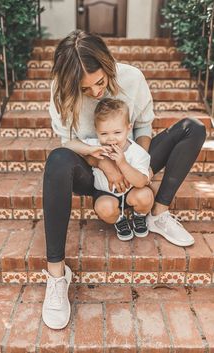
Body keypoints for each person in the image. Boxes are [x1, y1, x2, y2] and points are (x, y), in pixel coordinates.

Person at [42, 30, 206, 330]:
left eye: (100, 83)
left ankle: (158, 213)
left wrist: (133, 165)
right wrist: (106, 164)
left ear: (108, 65)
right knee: (56, 160)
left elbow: (144, 126)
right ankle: (56, 275)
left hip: (134, 160)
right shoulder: (60, 91)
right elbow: (68, 141)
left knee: (193, 128)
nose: (95, 92)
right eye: (85, 89)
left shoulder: (132, 78)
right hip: (91, 170)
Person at [65, 97, 154, 241]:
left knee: (146, 196)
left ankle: (139, 216)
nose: (111, 139)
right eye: (104, 134)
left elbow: (141, 182)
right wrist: (90, 150)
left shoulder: (137, 152)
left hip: (132, 191)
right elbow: (68, 146)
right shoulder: (96, 145)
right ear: (96, 131)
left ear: (128, 129)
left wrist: (123, 163)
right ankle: (119, 219)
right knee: (104, 208)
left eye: (117, 133)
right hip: (105, 193)